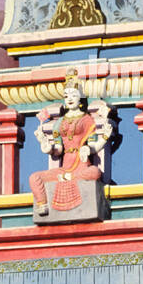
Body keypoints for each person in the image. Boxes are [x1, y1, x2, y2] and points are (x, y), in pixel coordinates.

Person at [29, 79, 107, 215]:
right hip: (65, 167)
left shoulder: (87, 119)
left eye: (73, 95)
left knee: (95, 172)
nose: (69, 99)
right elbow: (58, 149)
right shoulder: (59, 122)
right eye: (66, 96)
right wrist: (47, 146)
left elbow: (93, 146)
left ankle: (69, 178)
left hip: (81, 165)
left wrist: (103, 138)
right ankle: (42, 204)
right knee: (34, 178)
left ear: (80, 98)